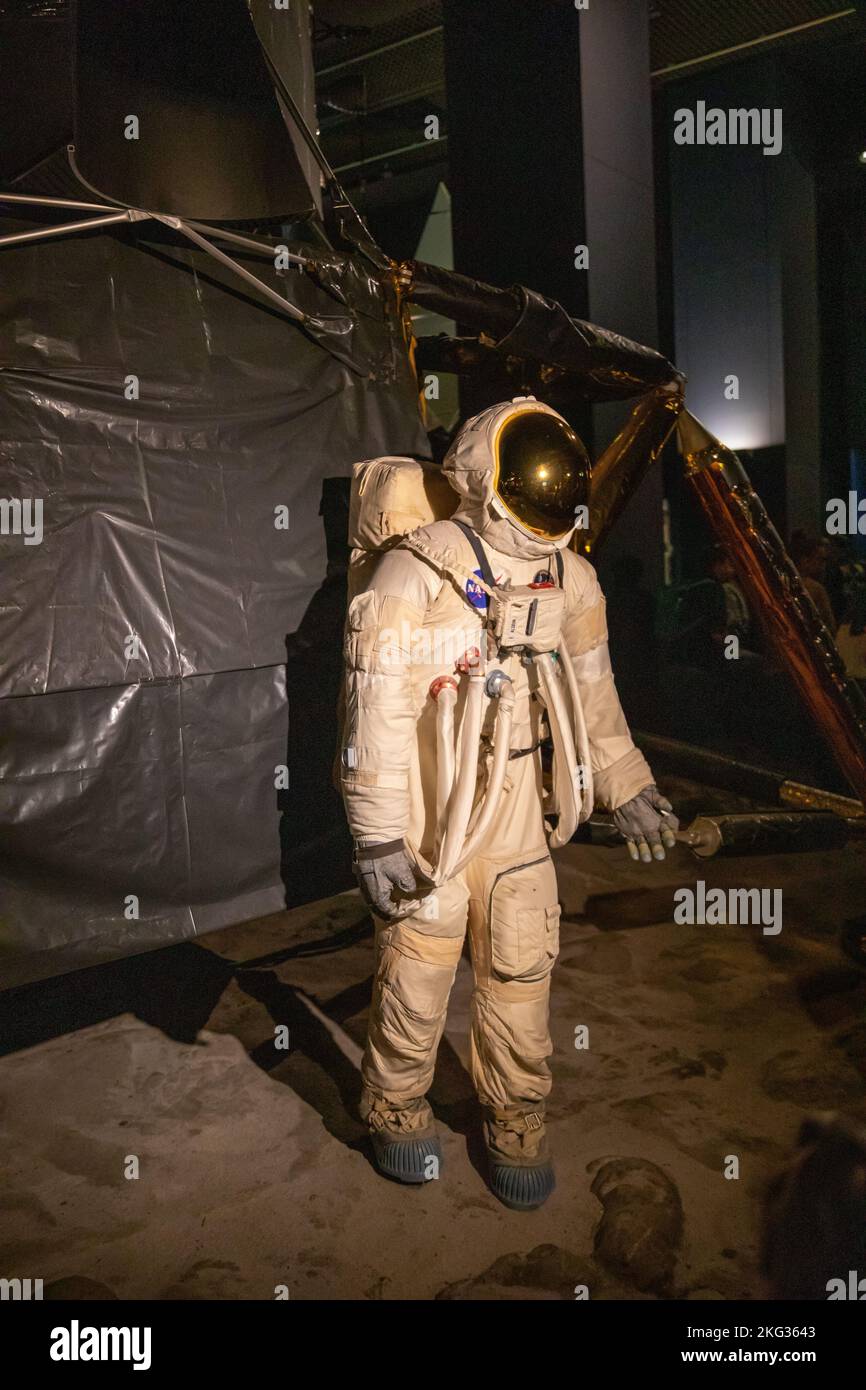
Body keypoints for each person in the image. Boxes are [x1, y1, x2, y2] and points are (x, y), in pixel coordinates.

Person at [339, 396, 677, 1209]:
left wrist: (627, 784)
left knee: (522, 964)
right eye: (530, 484)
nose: (544, 506)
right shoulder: (414, 571)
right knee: (421, 965)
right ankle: (394, 1101)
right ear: (486, 479)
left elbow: (593, 695)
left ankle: (516, 1115)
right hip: (432, 804)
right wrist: (378, 835)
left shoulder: (569, 574)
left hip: (519, 800)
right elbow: (373, 710)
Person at [789, 531, 836, 636]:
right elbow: (830, 628)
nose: (823, 566)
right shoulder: (816, 589)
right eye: (821, 560)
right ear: (805, 560)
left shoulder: (784, 582)